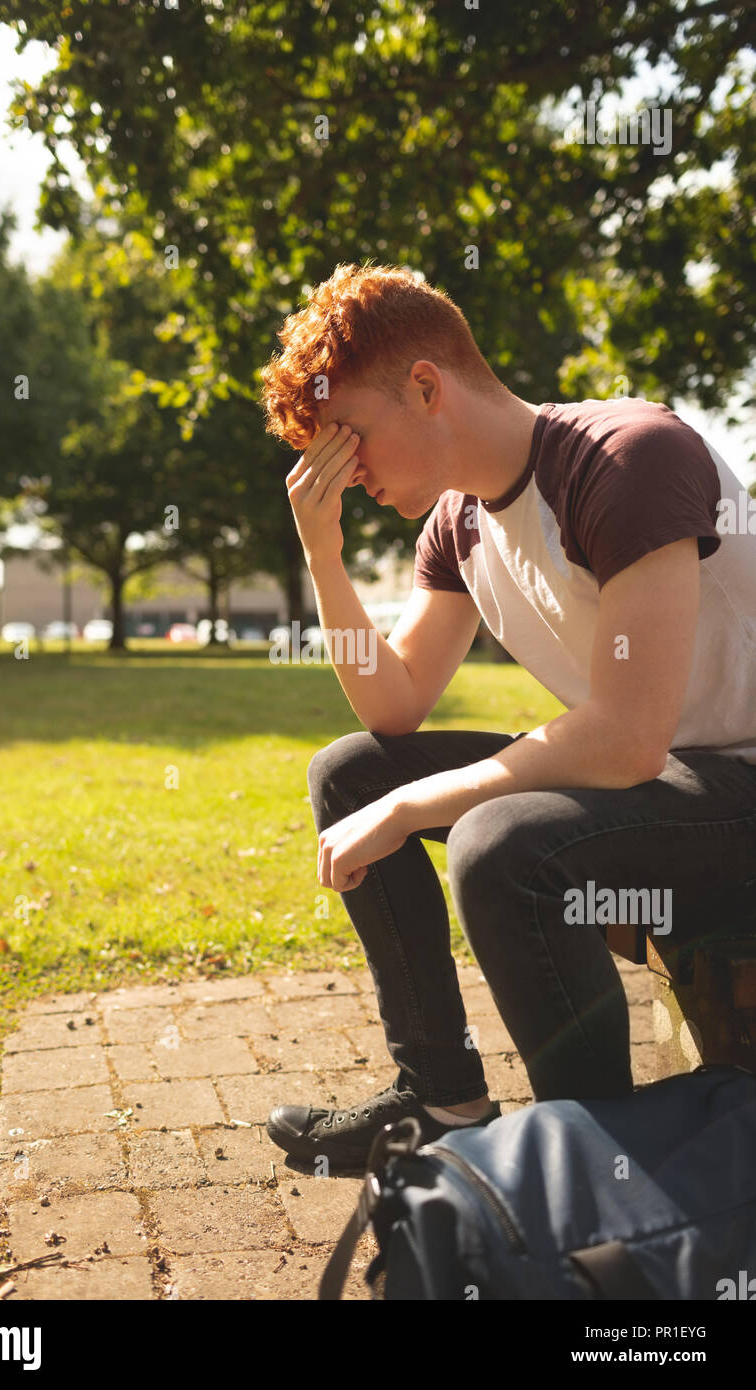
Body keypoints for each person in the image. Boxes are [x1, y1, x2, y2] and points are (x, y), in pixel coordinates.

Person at [257, 261, 756, 1170]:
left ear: (425, 387)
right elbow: (394, 703)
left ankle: (599, 1168)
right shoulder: (457, 525)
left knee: (501, 843)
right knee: (353, 773)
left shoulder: (626, 457)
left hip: (741, 787)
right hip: (670, 782)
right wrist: (322, 557)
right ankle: (442, 1097)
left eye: (352, 438)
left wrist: (418, 808)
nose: (349, 471)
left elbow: (628, 738)